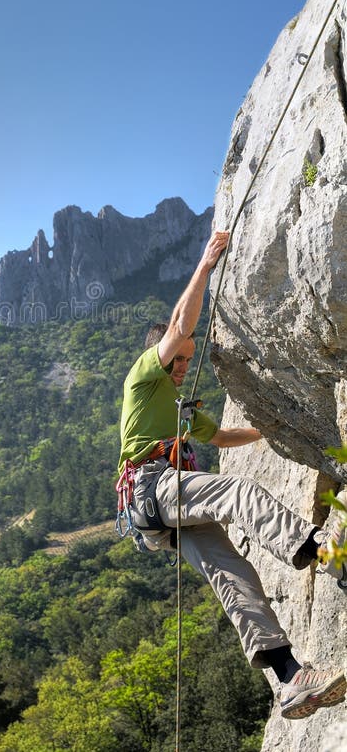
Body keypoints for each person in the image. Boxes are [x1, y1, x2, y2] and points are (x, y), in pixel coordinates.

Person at [118, 230, 346, 720]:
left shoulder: (178, 409)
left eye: (187, 360)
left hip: (160, 513)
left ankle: (288, 679)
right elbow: (180, 322)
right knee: (237, 492)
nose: (184, 366)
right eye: (178, 359)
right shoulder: (143, 376)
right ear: (160, 355)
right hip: (153, 486)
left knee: (233, 575)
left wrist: (272, 428)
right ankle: (320, 549)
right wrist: (205, 264)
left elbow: (221, 438)